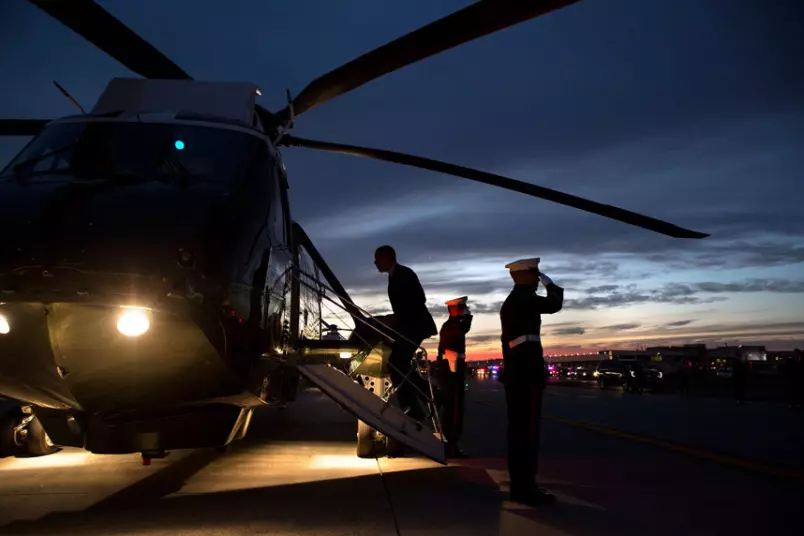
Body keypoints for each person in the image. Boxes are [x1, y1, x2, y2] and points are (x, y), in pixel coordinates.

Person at [499, 257, 563, 506]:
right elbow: (554, 304)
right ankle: (526, 488)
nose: (538, 279)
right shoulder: (523, 299)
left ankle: (522, 485)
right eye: (535, 274)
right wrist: (550, 283)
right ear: (522, 275)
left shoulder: (516, 300)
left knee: (519, 432)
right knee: (527, 432)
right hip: (526, 373)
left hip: (519, 372)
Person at [374, 245, 439, 421]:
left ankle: (414, 407)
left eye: (377, 259)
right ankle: (425, 400)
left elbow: (418, 299)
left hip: (415, 326)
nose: (375, 263)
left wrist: (395, 318)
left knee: (396, 363)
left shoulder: (404, 274)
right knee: (398, 363)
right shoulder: (395, 276)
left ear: (388, 258)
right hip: (409, 326)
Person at [437, 296, 473, 458]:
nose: (465, 310)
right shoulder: (451, 325)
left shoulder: (453, 324)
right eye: (462, 307)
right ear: (454, 309)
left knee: (455, 408)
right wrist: (467, 316)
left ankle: (451, 444)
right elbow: (463, 329)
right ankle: (449, 445)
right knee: (453, 408)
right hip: (451, 371)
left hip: (453, 368)